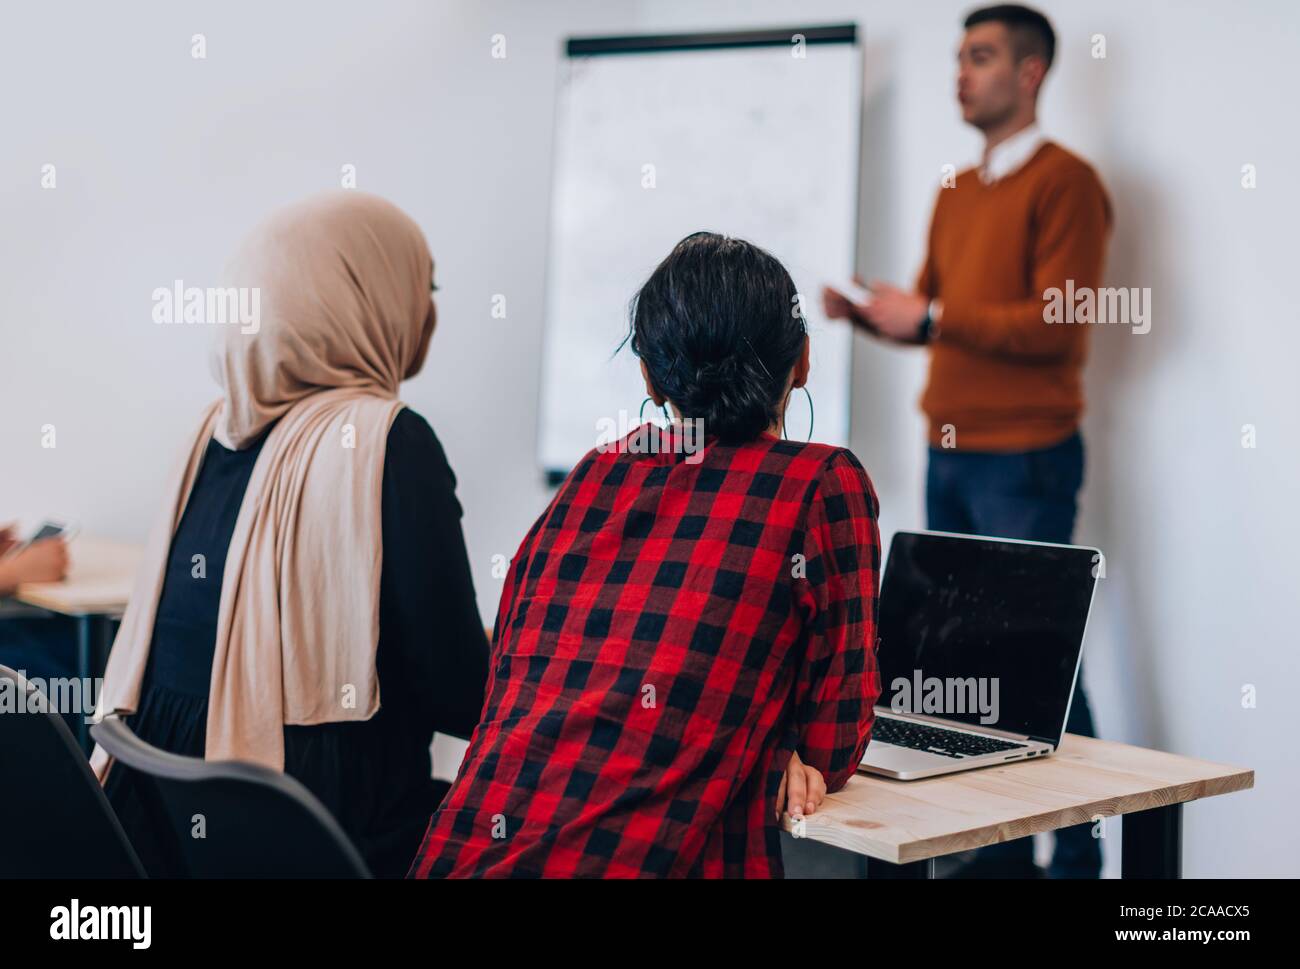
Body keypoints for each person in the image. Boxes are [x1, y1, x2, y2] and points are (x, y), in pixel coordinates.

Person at [410, 232, 881, 879]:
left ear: (649, 375)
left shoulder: (593, 474)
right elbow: (833, 739)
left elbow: (535, 682)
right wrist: (769, 747)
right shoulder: (819, 483)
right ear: (803, 361)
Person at [91, 192, 489, 878]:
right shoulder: (388, 441)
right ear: (366, 297)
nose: (428, 312)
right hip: (322, 837)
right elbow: (460, 692)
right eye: (422, 287)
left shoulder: (209, 436)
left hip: (159, 833)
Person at [823, 4, 1110, 878]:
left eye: (980, 57)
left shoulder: (1068, 183)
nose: (961, 73)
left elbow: (1060, 326)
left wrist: (934, 313)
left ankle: (1077, 855)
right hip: (949, 452)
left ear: (1030, 74)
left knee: (1031, 663)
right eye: (956, 57)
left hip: (1024, 456)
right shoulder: (955, 188)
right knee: (963, 658)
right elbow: (934, 324)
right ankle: (1003, 858)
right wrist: (877, 317)